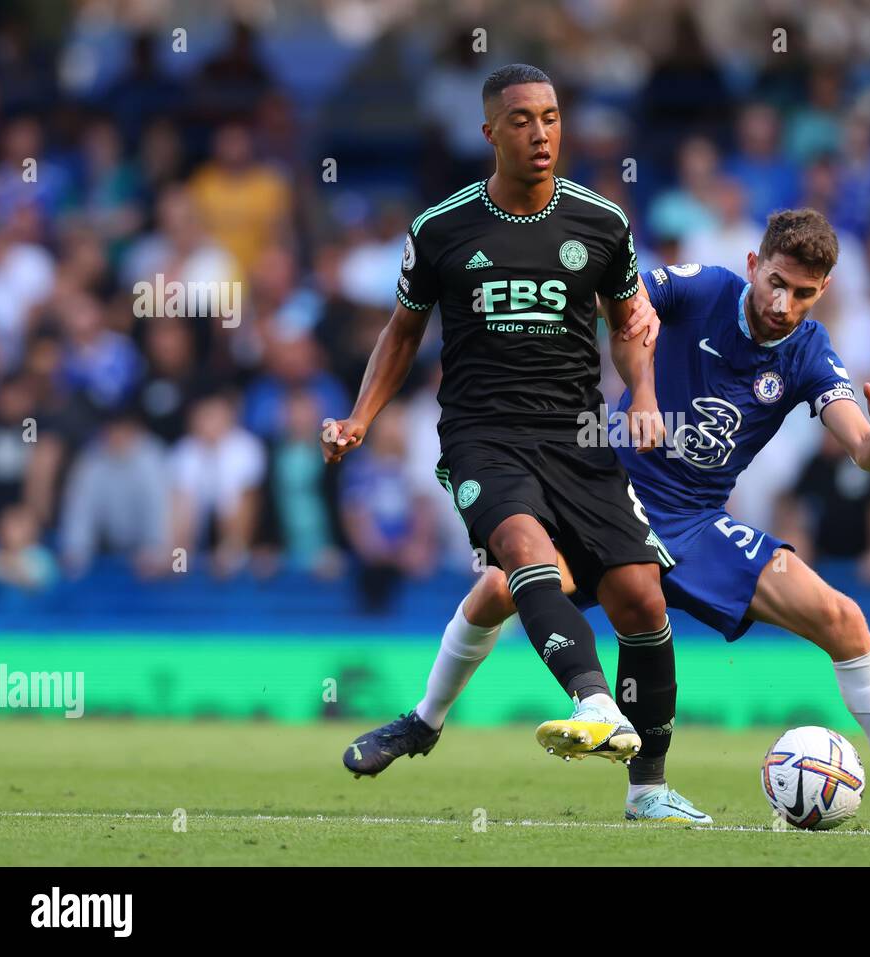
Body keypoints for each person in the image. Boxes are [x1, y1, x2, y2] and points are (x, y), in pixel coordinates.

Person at [374, 208, 870, 826]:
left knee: (843, 618)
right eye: (775, 282)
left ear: (822, 292)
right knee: (501, 585)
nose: (783, 302)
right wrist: (643, 394)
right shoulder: (705, 288)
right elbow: (626, 303)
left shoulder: (809, 352)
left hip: (695, 522)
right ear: (753, 266)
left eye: (802, 293)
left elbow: (862, 449)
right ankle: (423, 721)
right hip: (610, 501)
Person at [322, 64, 673, 775]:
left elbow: (631, 322)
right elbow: (400, 332)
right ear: (489, 133)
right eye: (521, 120)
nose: (539, 132)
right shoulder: (441, 228)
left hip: (577, 437)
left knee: (639, 595)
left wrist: (643, 396)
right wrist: (360, 417)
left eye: (549, 116)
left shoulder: (602, 223)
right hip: (483, 436)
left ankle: (648, 789)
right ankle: (594, 703)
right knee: (523, 553)